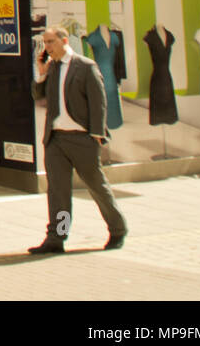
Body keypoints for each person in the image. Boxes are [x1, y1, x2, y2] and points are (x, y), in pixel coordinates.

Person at [29, 26, 127, 254]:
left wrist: (96, 136)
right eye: (45, 42)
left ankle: (117, 228)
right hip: (56, 140)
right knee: (58, 192)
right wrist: (41, 73)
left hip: (82, 139)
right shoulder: (51, 68)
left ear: (65, 41)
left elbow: (98, 102)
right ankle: (57, 236)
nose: (47, 47)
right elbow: (38, 95)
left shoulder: (85, 67)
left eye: (51, 42)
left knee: (96, 186)